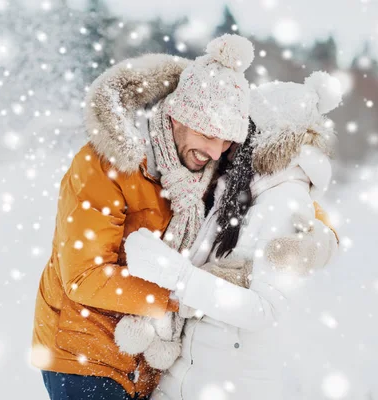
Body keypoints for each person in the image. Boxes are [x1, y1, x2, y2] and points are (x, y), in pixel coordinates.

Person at [31, 34, 255, 400]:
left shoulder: (206, 172)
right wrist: (181, 296)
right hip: (84, 354)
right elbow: (84, 277)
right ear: (177, 116)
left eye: (227, 140)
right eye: (208, 133)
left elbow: (275, 180)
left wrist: (313, 226)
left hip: (147, 364)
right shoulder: (106, 163)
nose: (215, 151)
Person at [125, 71, 342, 400]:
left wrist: (177, 274)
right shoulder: (241, 190)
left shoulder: (283, 201)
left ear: (261, 135)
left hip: (229, 382)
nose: (225, 145)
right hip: (191, 377)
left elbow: (265, 310)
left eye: (238, 131)